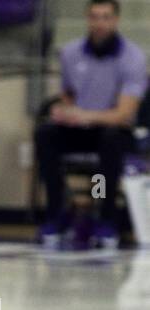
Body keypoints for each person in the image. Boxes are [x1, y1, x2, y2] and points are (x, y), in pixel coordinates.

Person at [35, 0, 147, 250]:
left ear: (116, 20)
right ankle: (58, 211)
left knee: (110, 139)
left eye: (106, 17)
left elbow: (124, 113)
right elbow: (69, 95)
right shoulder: (71, 52)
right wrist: (64, 112)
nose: (100, 23)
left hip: (115, 130)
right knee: (46, 133)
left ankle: (106, 217)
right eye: (95, 17)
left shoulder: (133, 58)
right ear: (87, 19)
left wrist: (85, 115)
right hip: (79, 128)